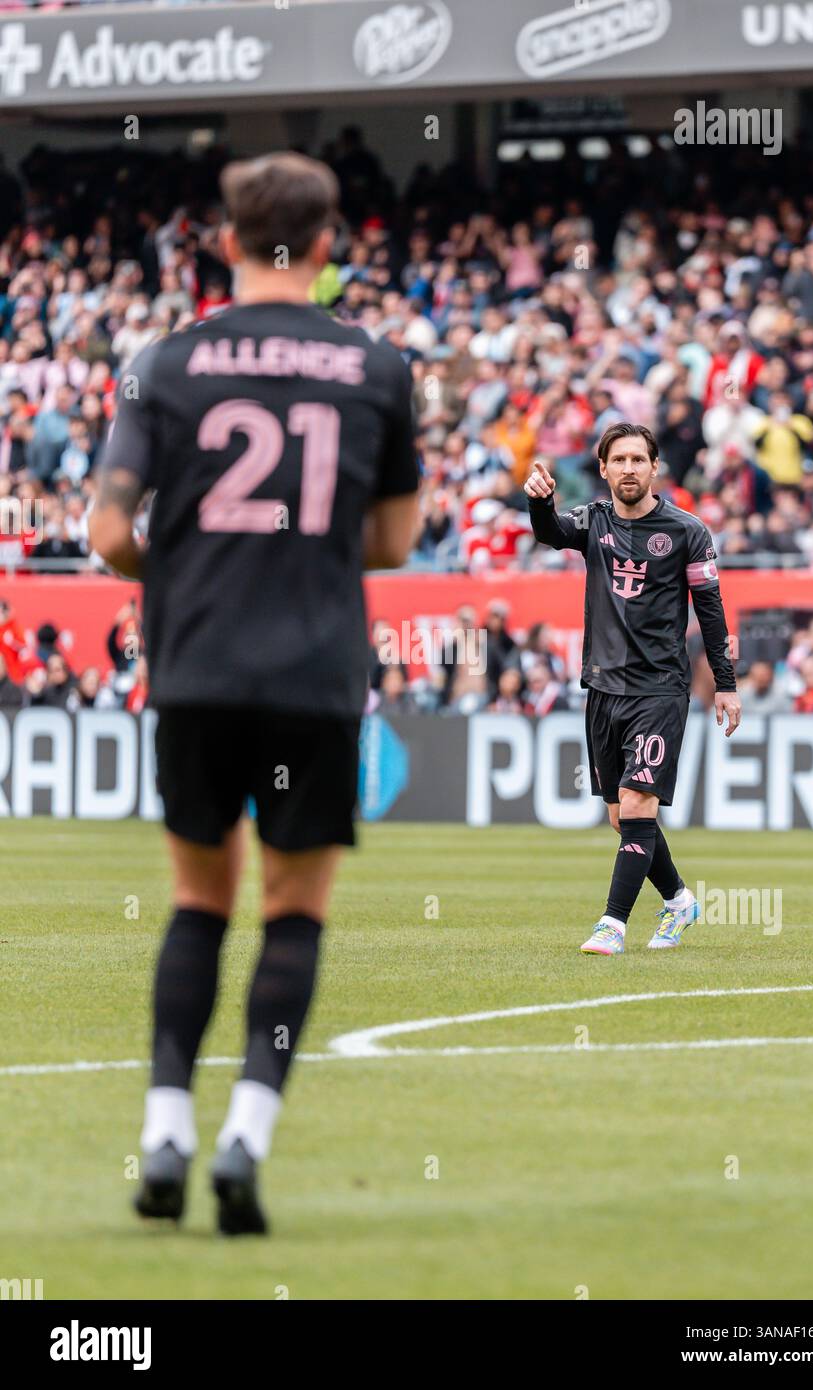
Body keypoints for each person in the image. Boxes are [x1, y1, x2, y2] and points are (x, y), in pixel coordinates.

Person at [89, 151, 419, 1236]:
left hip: (197, 664)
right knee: (292, 912)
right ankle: (247, 1137)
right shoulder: (375, 366)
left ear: (226, 242)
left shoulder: (166, 362)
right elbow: (394, 539)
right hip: (314, 672)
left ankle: (165, 1132)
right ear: (325, 248)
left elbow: (108, 533)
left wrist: (184, 568)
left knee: (199, 902)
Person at [525, 422, 740, 955]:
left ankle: (612, 924)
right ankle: (679, 901)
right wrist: (540, 502)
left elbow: (711, 612)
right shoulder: (593, 520)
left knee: (639, 801)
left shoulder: (688, 531)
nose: (628, 469)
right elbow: (551, 533)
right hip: (602, 688)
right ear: (603, 469)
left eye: (638, 460)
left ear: (654, 467)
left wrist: (726, 684)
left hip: (660, 689)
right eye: (618, 460)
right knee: (622, 816)